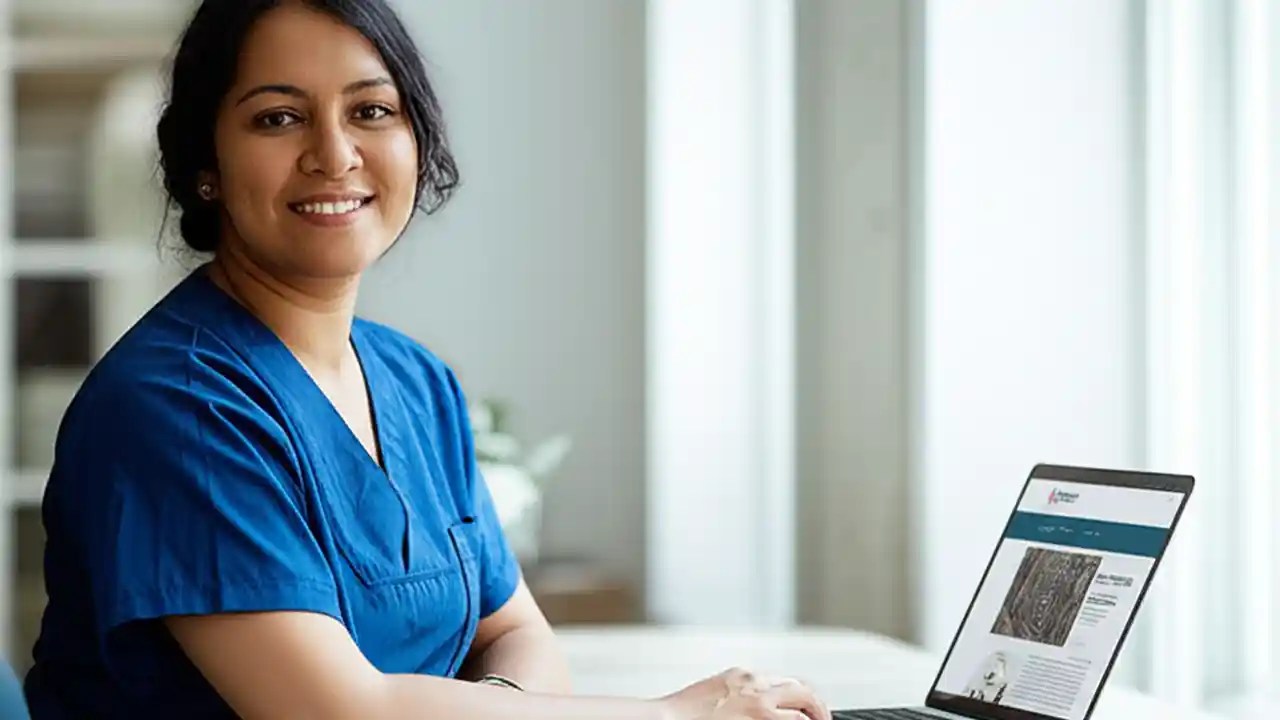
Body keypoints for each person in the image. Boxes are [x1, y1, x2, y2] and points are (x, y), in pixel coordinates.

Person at [21, 2, 831, 719]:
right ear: (207, 166)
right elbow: (336, 713)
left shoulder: (415, 381)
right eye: (278, 118)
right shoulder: (179, 404)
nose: (334, 153)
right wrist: (677, 715)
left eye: (371, 110)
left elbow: (517, 632)